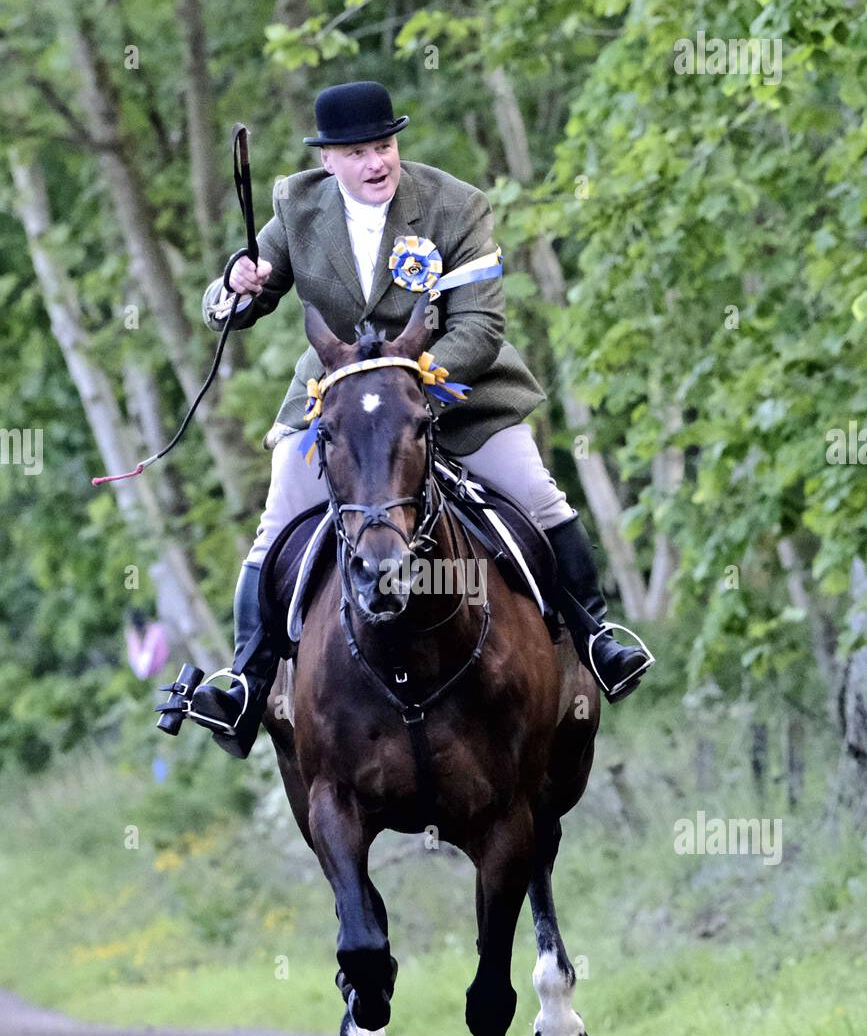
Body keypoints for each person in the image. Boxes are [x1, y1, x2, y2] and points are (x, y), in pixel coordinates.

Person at [185, 81, 653, 758]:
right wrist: (234, 289)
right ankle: (246, 686)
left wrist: (409, 380)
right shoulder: (295, 205)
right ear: (327, 162)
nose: (376, 162)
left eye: (384, 146)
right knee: (277, 518)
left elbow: (480, 327)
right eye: (357, 153)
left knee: (534, 492)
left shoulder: (455, 205)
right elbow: (238, 298)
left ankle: (598, 639)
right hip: (338, 406)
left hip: (451, 392)